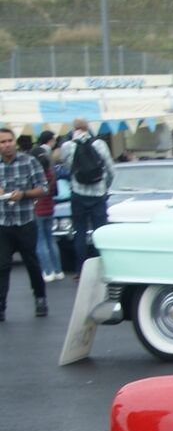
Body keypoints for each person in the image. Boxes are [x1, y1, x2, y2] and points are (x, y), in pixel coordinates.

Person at [0, 127, 50, 319]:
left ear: (15, 141)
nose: (7, 145)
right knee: (2, 265)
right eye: (2, 142)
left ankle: (40, 298)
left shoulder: (29, 161)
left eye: (9, 141)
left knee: (31, 263)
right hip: (3, 222)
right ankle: (1, 304)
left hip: (25, 221)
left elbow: (43, 188)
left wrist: (24, 194)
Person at [58, 118, 113, 267]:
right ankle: (100, 264)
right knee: (100, 231)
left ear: (74, 128)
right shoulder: (99, 144)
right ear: (88, 128)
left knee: (80, 232)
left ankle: (80, 268)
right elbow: (110, 169)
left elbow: (68, 168)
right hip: (98, 194)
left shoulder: (67, 146)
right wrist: (105, 187)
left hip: (78, 193)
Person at [31, 134, 63, 282]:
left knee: (40, 241)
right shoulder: (51, 173)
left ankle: (47, 271)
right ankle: (58, 270)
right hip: (50, 208)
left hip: (37, 209)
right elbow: (55, 190)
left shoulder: (35, 174)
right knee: (51, 239)